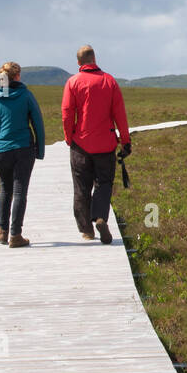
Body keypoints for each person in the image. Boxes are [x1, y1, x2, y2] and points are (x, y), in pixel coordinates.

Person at [61, 44, 131, 245]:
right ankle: (100, 216)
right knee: (104, 183)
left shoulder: (72, 82)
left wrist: (69, 136)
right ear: (94, 59)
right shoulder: (109, 81)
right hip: (106, 143)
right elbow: (120, 115)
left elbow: (67, 112)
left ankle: (87, 230)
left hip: (80, 143)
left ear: (78, 63)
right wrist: (125, 140)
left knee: (81, 186)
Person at [0, 61, 46, 248]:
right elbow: (38, 124)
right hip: (24, 149)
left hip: (2, 150)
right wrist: (40, 150)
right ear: (17, 76)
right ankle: (16, 235)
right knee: (19, 191)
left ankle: (3, 233)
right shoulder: (26, 95)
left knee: (5, 189)